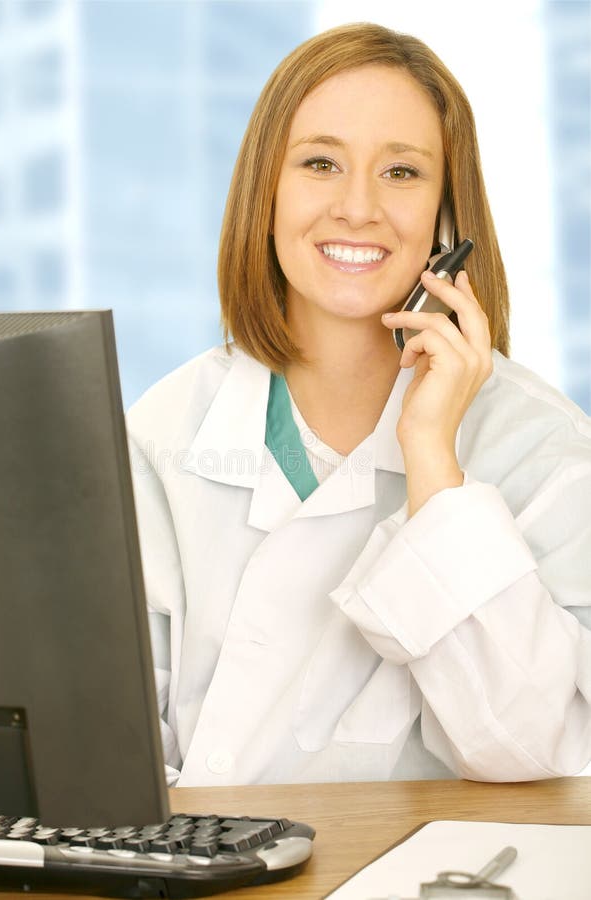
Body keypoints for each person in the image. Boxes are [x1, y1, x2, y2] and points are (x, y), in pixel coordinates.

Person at [126, 22, 591, 787]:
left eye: (401, 173)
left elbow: (542, 756)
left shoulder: (542, 447)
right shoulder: (162, 432)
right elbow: (104, 748)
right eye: (319, 163)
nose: (356, 207)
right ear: (264, 193)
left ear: (448, 216)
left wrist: (432, 460)